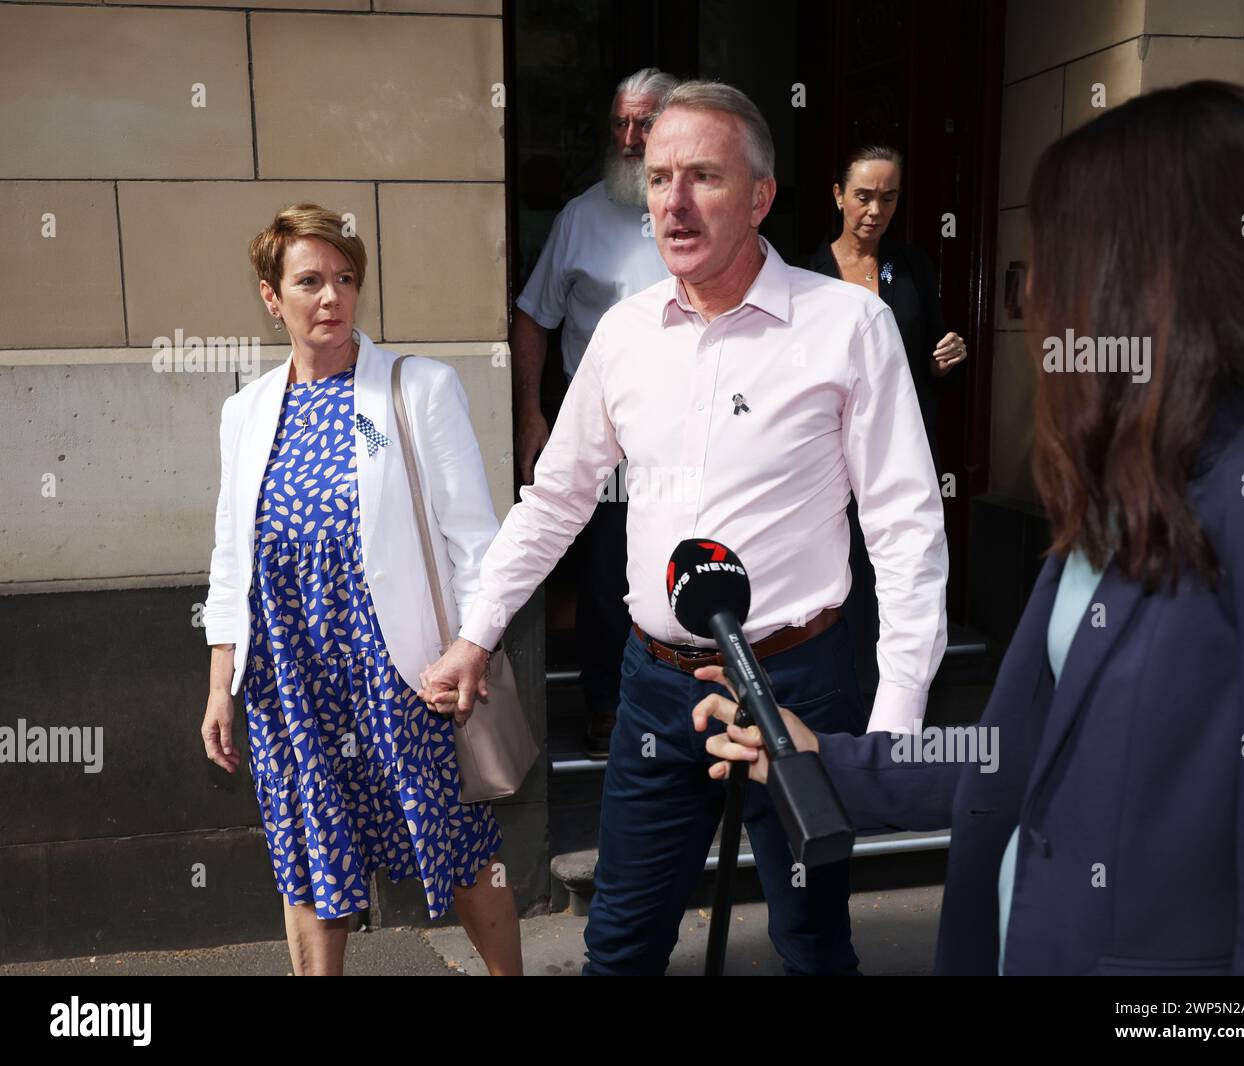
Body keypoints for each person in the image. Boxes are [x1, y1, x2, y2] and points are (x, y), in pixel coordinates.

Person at [695, 80, 1244, 975]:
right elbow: (1013, 751)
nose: (1038, 290)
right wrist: (834, 759)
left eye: (1063, 252)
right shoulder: (1125, 490)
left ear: (1157, 274)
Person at [423, 82, 947, 975]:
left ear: (760, 198)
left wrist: (890, 730)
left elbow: (904, 528)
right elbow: (556, 499)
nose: (672, 200)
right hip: (657, 689)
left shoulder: (848, 325)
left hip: (798, 689)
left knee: (813, 942)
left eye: (703, 175)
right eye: (659, 176)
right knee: (620, 943)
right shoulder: (624, 336)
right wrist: (478, 634)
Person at [199, 203, 522, 976]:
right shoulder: (245, 413)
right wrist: (220, 684)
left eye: (345, 279)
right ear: (271, 297)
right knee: (311, 858)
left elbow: (475, 542)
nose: (331, 297)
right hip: (290, 682)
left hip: (403, 677)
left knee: (463, 851)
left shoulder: (417, 391)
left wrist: (467, 652)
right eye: (309, 281)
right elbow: (229, 554)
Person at [512, 67, 678, 756]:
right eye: (622, 123)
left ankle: (689, 699)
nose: (631, 138)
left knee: (685, 560)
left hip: (689, 426)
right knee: (610, 569)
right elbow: (532, 317)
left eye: (646, 123)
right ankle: (607, 705)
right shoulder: (580, 217)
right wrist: (530, 415)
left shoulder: (697, 213)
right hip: (604, 429)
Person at [807, 145, 967, 448]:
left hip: (902, 436)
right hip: (830, 440)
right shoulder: (806, 274)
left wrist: (947, 356)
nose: (876, 211)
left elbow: (932, 358)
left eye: (888, 198)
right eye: (864, 197)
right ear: (839, 195)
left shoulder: (913, 266)